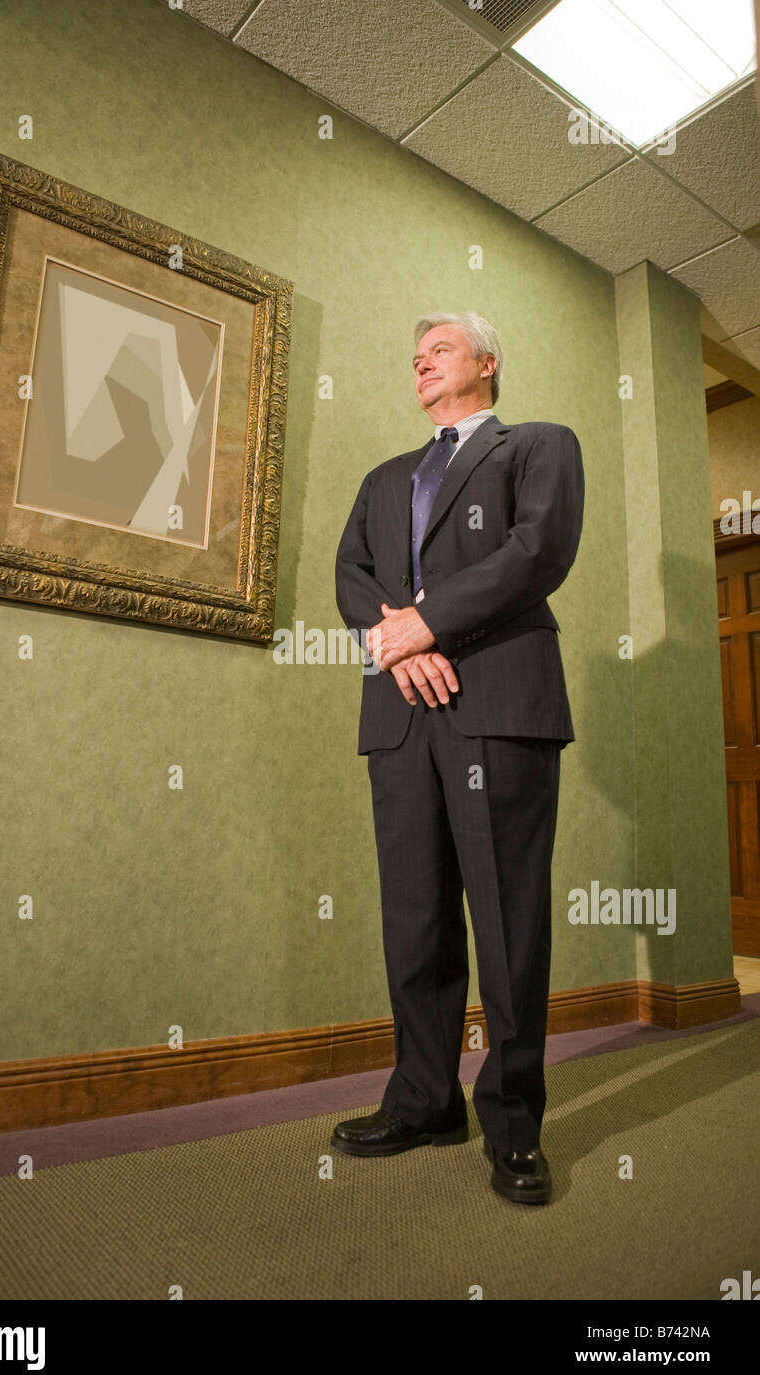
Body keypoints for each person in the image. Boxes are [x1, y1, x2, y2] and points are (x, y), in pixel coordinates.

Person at [332, 312, 584, 1204]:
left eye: (437, 350)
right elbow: (352, 574)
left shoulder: (540, 446)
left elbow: (536, 552)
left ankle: (515, 1127)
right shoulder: (384, 477)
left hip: (502, 705)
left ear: (487, 362)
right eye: (414, 359)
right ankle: (423, 1098)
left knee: (508, 922)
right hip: (401, 715)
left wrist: (429, 623)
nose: (420, 365)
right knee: (416, 918)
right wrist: (404, 646)